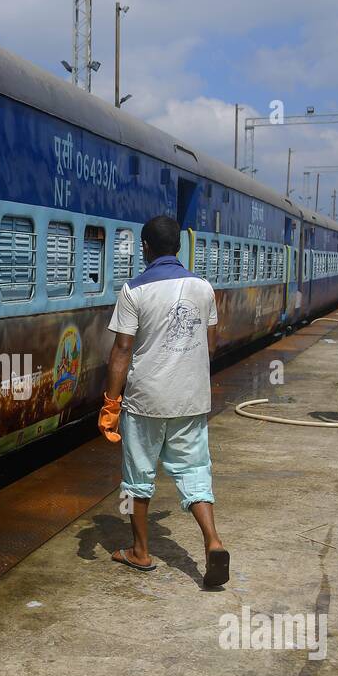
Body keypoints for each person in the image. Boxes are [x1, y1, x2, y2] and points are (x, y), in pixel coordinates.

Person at [98, 215, 229, 587]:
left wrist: (110, 402)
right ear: (179, 247)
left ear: (145, 248)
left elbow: (121, 351)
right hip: (190, 399)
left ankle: (140, 552)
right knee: (195, 473)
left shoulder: (133, 291)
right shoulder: (203, 288)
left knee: (140, 477)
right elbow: (211, 344)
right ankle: (213, 541)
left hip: (146, 401)